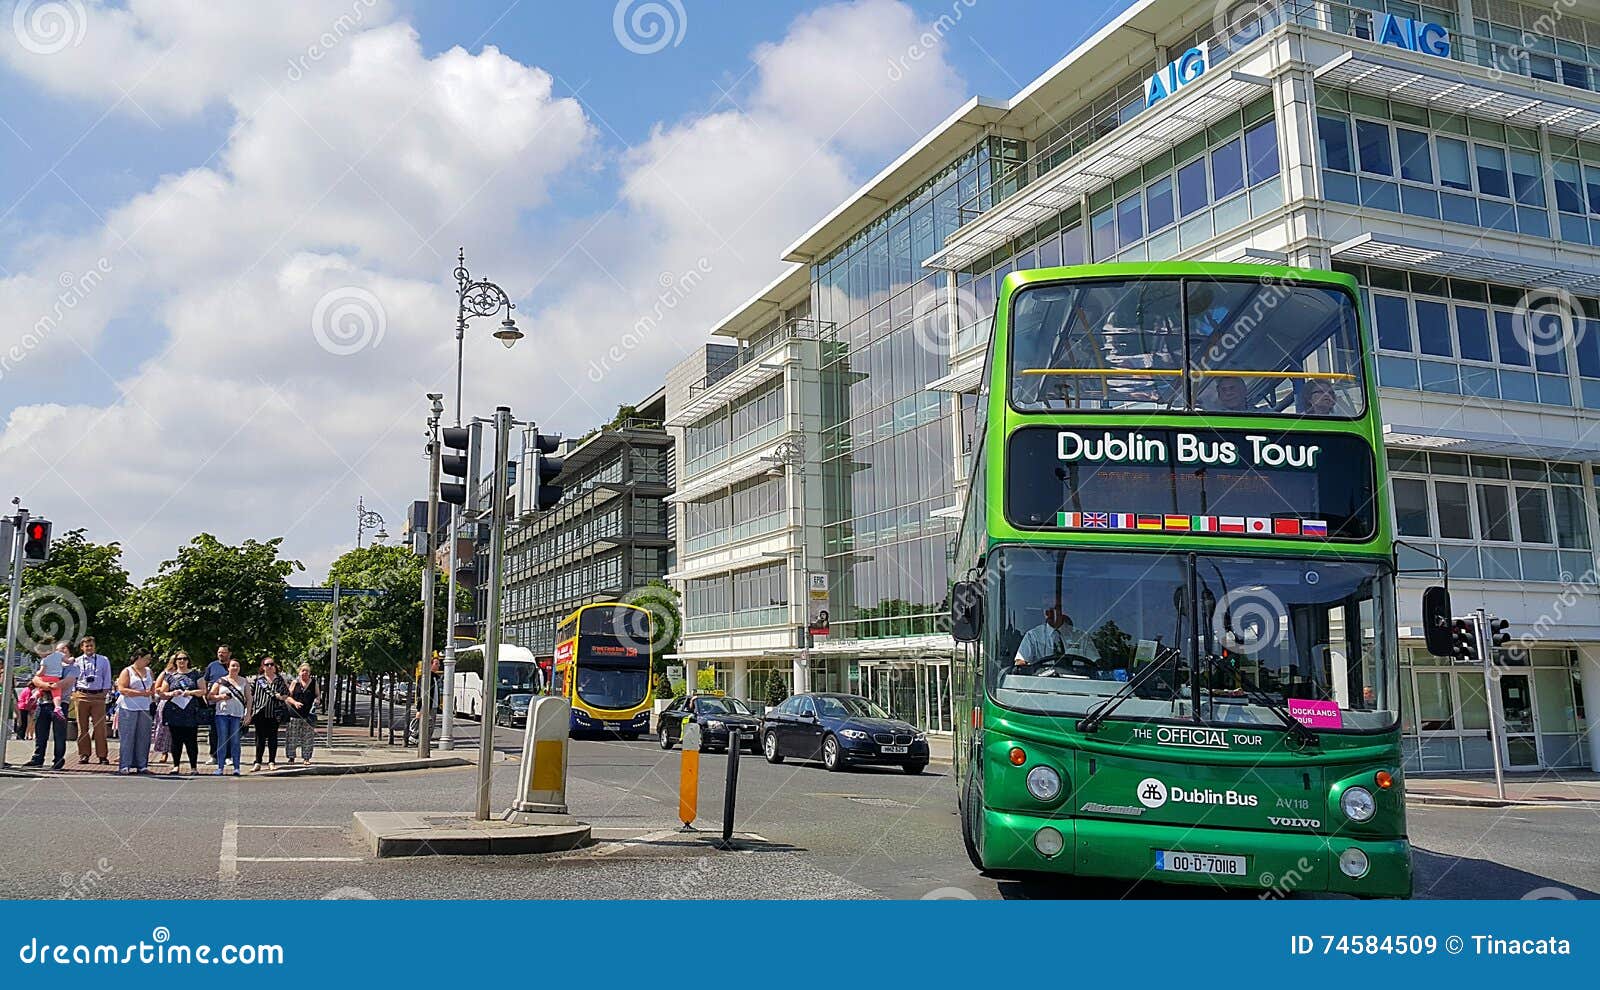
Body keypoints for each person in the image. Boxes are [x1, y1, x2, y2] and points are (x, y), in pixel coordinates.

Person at [23, 647, 76, 770]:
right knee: (41, 732)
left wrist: (47, 685)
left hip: (61, 703)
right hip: (44, 703)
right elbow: (35, 679)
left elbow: (65, 683)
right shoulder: (48, 661)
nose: (60, 652)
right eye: (58, 650)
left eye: (63, 650)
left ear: (68, 653)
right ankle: (37, 758)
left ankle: (58, 760)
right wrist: (45, 685)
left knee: (59, 734)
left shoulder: (72, 668)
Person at [156, 652, 205, 775]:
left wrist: (191, 692)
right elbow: (162, 692)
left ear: (188, 660)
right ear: (175, 661)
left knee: (191, 741)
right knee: (176, 740)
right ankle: (176, 765)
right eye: (179, 659)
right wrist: (171, 694)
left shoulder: (195, 674)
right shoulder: (171, 676)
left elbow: (203, 691)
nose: (182, 661)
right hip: (175, 711)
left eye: (184, 659)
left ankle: (193, 767)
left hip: (191, 712)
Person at [1011, 606, 1101, 671]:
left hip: (1081, 688)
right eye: (1047, 610)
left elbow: (1097, 664)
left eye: (1054, 610)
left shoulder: (1081, 637)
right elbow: (1020, 663)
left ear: (1063, 612)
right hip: (1041, 688)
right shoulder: (1032, 636)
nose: (1050, 614)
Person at [73, 635, 114, 765]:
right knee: (82, 727)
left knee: (100, 727)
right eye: (87, 646)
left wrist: (104, 693)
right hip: (82, 694)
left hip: (98, 696)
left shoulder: (103, 660)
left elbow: (107, 677)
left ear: (94, 647)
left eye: (91, 645)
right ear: (82, 648)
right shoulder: (76, 661)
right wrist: (74, 693)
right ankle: (84, 754)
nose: (89, 648)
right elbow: (73, 678)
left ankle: (102, 755)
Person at [114, 649, 157, 775]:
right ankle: (125, 765)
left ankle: (142, 765)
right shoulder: (127, 671)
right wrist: (141, 693)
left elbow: (152, 685)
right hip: (129, 707)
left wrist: (151, 694)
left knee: (144, 736)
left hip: (145, 707)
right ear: (138, 657)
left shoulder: (149, 671)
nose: (148, 661)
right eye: (146, 658)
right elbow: (122, 689)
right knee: (127, 736)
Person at [209, 657, 251, 776]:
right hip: (222, 714)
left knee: (235, 741)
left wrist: (248, 714)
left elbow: (249, 699)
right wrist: (221, 697)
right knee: (222, 740)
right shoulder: (221, 681)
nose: (235, 668)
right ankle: (220, 767)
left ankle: (236, 767)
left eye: (237, 666)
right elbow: (210, 696)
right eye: (233, 665)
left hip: (237, 714)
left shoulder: (244, 681)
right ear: (228, 668)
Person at [248, 657, 289, 772]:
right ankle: (258, 762)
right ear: (263, 666)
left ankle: (271, 761)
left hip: (274, 713)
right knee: (259, 739)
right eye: (267, 665)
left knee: (273, 738)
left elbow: (286, 694)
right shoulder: (258, 680)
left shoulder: (279, 680)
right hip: (260, 713)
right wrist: (249, 712)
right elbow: (250, 695)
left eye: (272, 664)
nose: (270, 667)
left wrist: (280, 697)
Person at [27, 641, 71, 725]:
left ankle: (34, 695)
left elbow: (41, 672)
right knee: (56, 695)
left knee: (41, 687)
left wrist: (37, 674)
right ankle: (58, 707)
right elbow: (68, 661)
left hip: (45, 678)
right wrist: (72, 659)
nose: (40, 656)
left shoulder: (44, 660)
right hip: (55, 679)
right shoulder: (59, 655)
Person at [283, 663, 319, 766]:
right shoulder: (295, 683)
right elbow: (287, 697)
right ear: (299, 672)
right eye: (303, 670)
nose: (304, 673)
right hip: (294, 714)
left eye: (307, 671)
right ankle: (291, 757)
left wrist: (317, 700)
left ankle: (306, 758)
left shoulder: (314, 683)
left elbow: (317, 696)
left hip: (308, 715)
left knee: (307, 737)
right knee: (292, 737)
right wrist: (295, 702)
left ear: (310, 673)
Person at [205, 645, 231, 759]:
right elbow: (206, 682)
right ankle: (214, 755)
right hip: (213, 703)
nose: (221, 654)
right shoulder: (212, 666)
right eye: (219, 652)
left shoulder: (232, 666)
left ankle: (228, 756)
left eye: (224, 652)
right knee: (214, 731)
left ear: (229, 654)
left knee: (228, 730)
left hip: (228, 703)